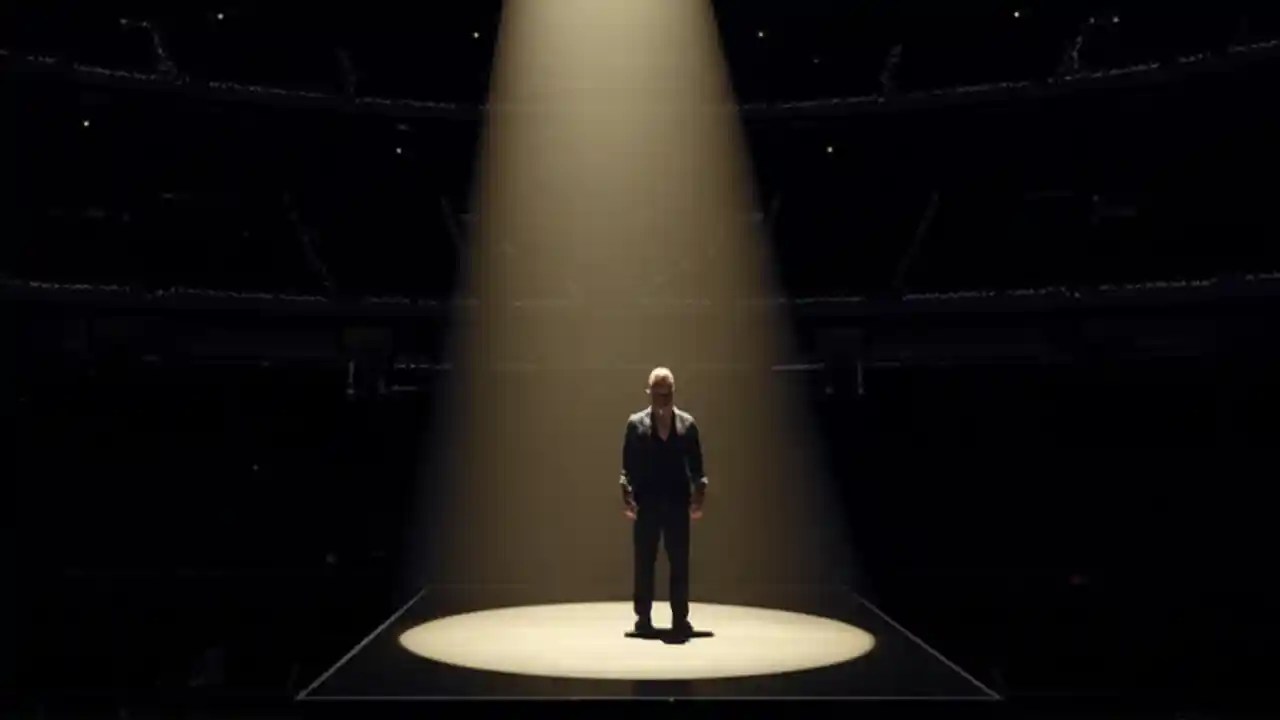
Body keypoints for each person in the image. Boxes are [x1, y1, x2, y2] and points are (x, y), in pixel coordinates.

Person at [620, 366, 707, 636]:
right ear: (649, 394)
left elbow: (698, 468)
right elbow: (627, 468)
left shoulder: (687, 424)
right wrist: (627, 495)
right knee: (644, 561)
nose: (662, 400)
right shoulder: (635, 425)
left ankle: (680, 617)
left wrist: (698, 496)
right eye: (657, 394)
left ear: (673, 392)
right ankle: (642, 616)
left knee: (679, 561)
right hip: (647, 502)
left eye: (666, 394)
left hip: (677, 502)